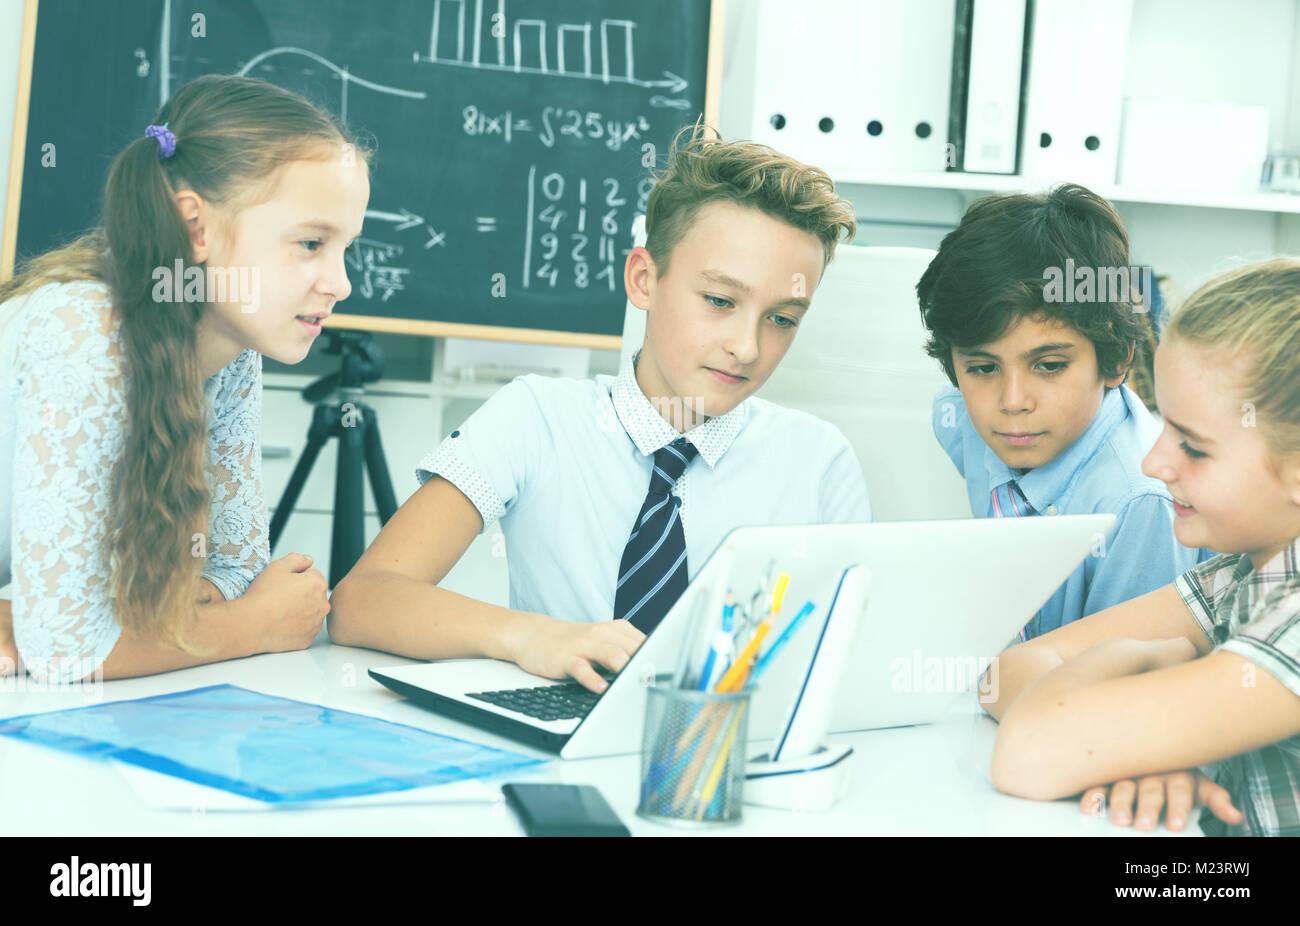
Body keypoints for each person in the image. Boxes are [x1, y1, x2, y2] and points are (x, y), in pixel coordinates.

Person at [329, 125, 871, 693]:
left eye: (782, 319)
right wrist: (533, 637)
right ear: (643, 279)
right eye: (718, 300)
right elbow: (362, 603)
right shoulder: (536, 417)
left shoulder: (819, 462)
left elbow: (858, 659)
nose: (748, 347)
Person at [0, 75, 369, 681]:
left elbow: (235, 570)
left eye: (346, 248)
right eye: (310, 243)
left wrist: (89, 625)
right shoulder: (86, 329)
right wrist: (251, 626)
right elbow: (67, 651)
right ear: (195, 227)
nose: (341, 282)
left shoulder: (230, 347)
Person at [988, 259, 1300, 835]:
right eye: (1164, 428)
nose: (1155, 463)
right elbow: (1002, 674)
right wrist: (1139, 742)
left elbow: (1029, 750)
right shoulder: (1238, 575)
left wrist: (1132, 683)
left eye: (1195, 448)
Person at [918, 184, 1208, 642]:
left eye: (1049, 365)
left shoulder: (1141, 502)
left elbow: (1125, 682)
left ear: (1115, 360)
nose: (1013, 401)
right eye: (982, 367)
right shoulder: (961, 422)